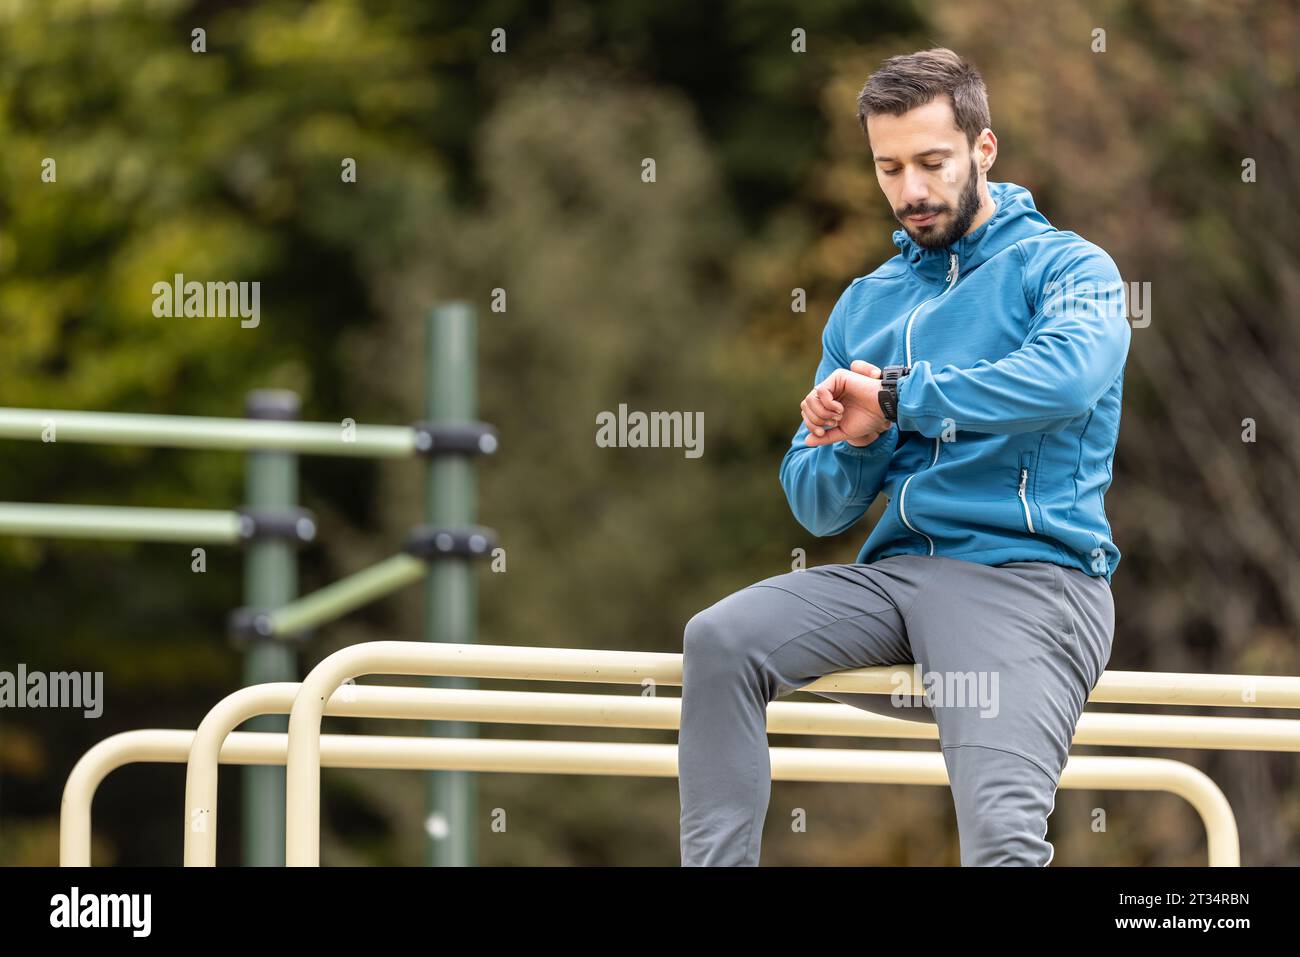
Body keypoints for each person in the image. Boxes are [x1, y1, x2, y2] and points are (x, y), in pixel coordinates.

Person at [678, 47, 1130, 866]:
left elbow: (1065, 381)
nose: (912, 190)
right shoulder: (867, 302)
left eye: (932, 162)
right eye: (889, 168)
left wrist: (898, 397)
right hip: (896, 583)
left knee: (1000, 845)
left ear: (983, 151)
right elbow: (816, 504)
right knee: (719, 639)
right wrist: (857, 442)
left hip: (1029, 582)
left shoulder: (1068, 267)